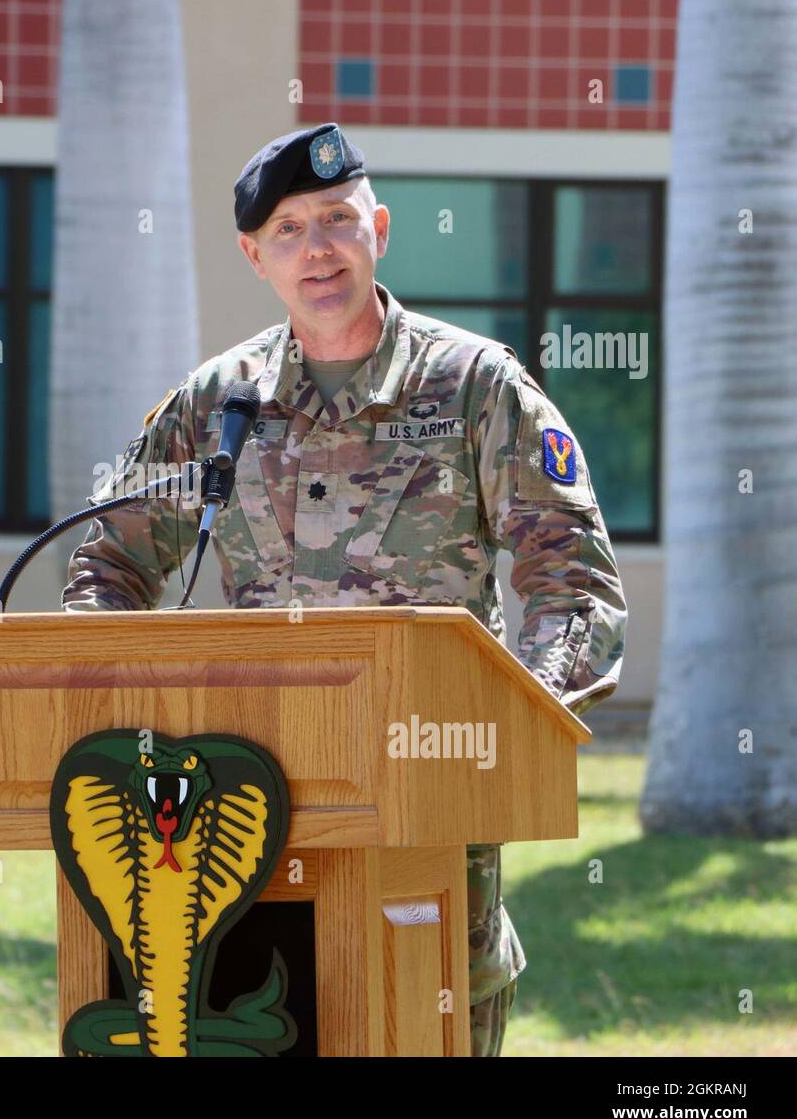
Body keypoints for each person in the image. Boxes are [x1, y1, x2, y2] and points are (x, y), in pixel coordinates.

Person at [61, 122, 627, 1055]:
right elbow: (107, 564)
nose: (317, 248)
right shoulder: (218, 403)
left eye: (336, 218)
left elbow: (573, 581)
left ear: (381, 229)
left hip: (429, 812)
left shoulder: (478, 389)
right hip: (242, 825)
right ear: (254, 255)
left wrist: (517, 717)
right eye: (288, 230)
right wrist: (110, 720)